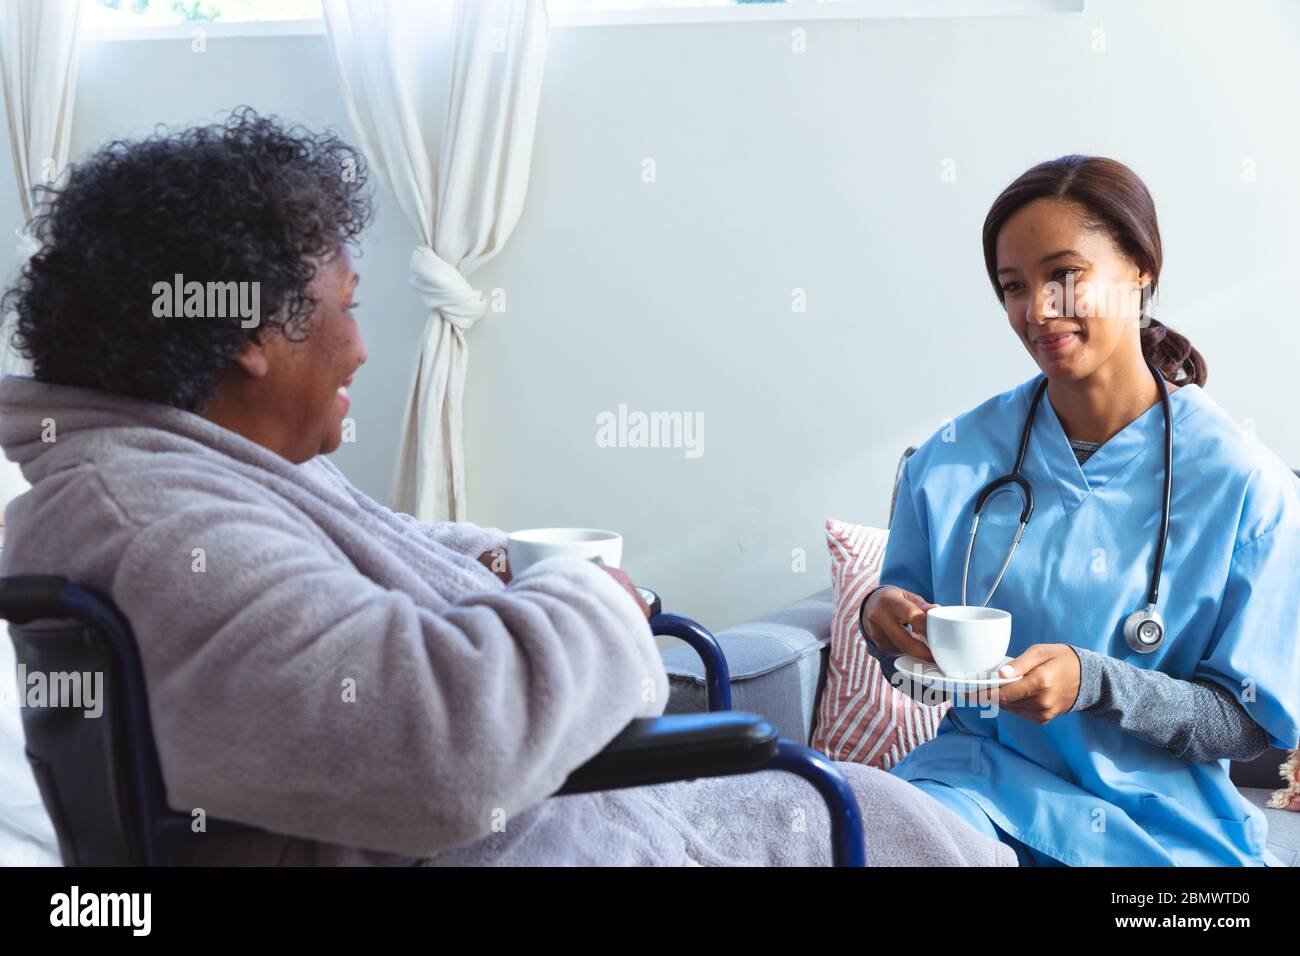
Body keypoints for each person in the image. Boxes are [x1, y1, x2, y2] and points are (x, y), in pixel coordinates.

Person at [0, 107, 1014, 866]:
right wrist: (590, 599)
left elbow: (371, 549)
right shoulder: (152, 521)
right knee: (878, 821)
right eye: (342, 309)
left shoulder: (179, 482)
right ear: (247, 334)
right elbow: (441, 742)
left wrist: (496, 563)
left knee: (909, 823)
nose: (359, 348)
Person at [859, 155, 1300, 866]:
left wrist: (1095, 683)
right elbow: (911, 655)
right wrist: (881, 620)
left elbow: (1247, 726)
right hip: (975, 794)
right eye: (1013, 286)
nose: (1036, 310)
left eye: (1064, 275)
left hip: (1159, 831)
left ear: (1139, 269)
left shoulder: (1246, 485)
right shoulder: (950, 461)